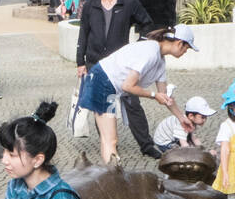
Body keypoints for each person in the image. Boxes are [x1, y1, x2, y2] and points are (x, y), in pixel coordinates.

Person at [75, 0, 160, 158]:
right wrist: (80, 62)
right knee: (102, 107)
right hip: (96, 65)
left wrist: (138, 47)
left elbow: (147, 24)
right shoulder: (90, 5)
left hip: (122, 66)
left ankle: (146, 145)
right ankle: (109, 145)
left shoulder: (128, 3)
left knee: (132, 104)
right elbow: (83, 35)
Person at [79, 25, 193, 164]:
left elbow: (165, 96)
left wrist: (182, 118)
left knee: (108, 138)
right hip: (101, 81)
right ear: (179, 43)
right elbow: (127, 86)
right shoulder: (151, 51)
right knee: (110, 139)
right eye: (187, 48)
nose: (186, 52)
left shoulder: (160, 61)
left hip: (108, 86)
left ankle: (111, 175)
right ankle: (114, 177)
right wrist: (153, 95)